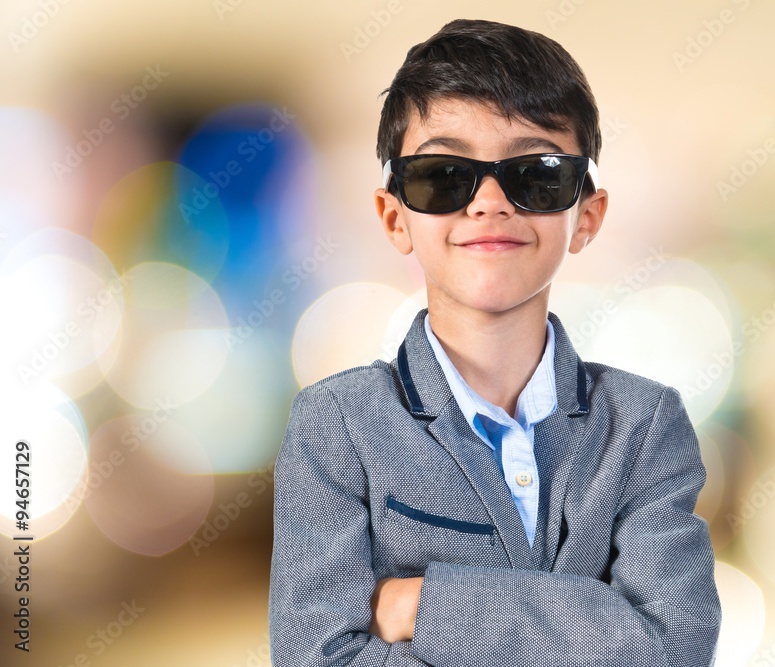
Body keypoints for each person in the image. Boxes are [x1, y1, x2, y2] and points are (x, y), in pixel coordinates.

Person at [269, 18, 721, 666]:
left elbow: (675, 647)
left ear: (585, 214)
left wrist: (423, 606)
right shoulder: (336, 427)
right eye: (444, 175)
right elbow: (319, 658)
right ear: (395, 216)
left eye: (534, 173)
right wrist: (603, 626)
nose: (487, 201)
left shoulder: (645, 427)